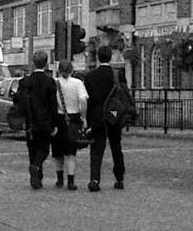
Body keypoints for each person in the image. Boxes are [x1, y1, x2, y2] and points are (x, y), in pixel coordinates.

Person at [83, 45, 126, 192]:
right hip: (114, 115)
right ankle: (119, 178)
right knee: (116, 147)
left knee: (96, 149)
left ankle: (94, 180)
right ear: (110, 57)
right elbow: (123, 96)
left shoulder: (89, 76)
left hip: (97, 116)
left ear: (98, 57)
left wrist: (87, 120)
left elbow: (87, 100)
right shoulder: (117, 75)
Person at [16, 51, 59, 189]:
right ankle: (36, 167)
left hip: (30, 120)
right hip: (45, 121)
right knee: (44, 149)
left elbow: (18, 100)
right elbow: (53, 105)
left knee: (32, 149)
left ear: (34, 63)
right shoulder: (49, 82)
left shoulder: (25, 81)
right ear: (46, 63)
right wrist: (55, 123)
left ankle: (36, 178)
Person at [54, 59, 88, 191]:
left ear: (59, 70)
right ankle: (71, 180)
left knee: (58, 151)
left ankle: (59, 178)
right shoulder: (78, 83)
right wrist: (83, 117)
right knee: (71, 152)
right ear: (72, 70)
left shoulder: (55, 83)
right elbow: (83, 101)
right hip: (73, 117)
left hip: (59, 117)